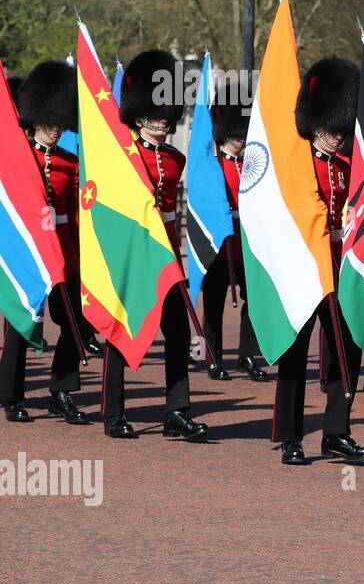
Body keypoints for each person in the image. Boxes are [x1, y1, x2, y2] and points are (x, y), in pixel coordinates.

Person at [100, 50, 208, 440]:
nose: (164, 121)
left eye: (167, 113)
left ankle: (177, 410)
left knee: (177, 331)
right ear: (140, 112)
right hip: (133, 255)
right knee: (122, 330)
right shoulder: (122, 156)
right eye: (157, 112)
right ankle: (114, 412)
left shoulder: (175, 159)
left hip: (165, 256)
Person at [271, 58, 364, 465]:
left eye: (340, 128)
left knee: (345, 351)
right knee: (295, 352)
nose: (336, 136)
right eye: (330, 127)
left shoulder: (346, 166)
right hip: (302, 266)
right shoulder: (296, 166)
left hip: (339, 264)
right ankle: (290, 436)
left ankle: (336, 431)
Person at [0, 63, 91, 426]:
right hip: (28, 253)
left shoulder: (70, 162)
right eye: (49, 121)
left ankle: (61, 392)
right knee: (21, 324)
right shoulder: (19, 159)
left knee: (75, 322)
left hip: (64, 252)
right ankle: (11, 395)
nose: (55, 129)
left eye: (59, 122)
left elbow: (76, 213)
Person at [202, 77, 269, 382]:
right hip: (220, 241)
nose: (241, 140)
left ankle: (247, 355)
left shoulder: (254, 163)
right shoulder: (213, 165)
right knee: (214, 302)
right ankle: (213, 357)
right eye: (236, 134)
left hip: (248, 242)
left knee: (254, 301)